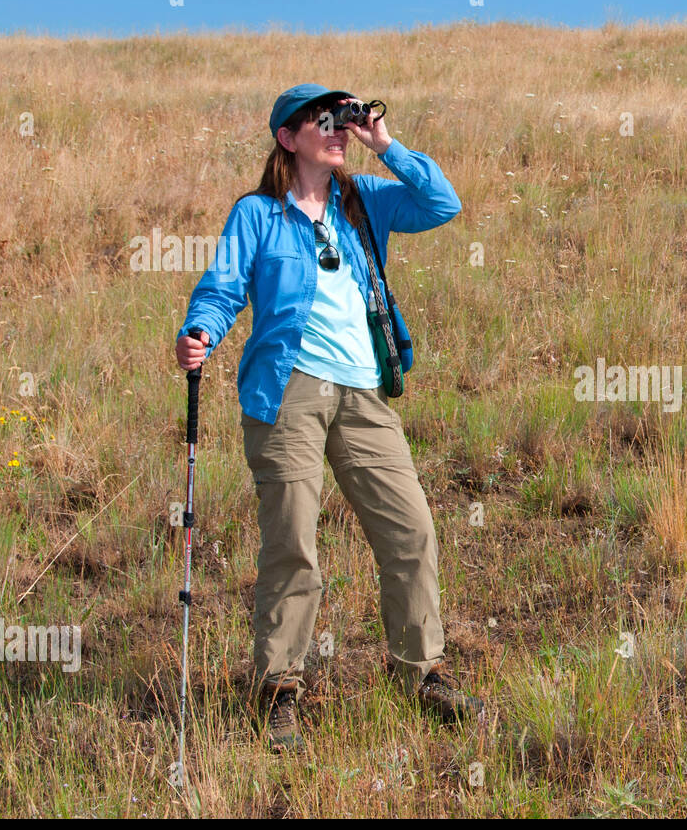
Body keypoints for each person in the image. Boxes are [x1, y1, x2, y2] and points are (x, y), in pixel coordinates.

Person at [175, 83, 481, 752]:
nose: (338, 130)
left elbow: (442, 202)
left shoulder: (364, 204)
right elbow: (224, 285)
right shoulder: (257, 214)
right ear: (288, 138)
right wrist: (200, 329)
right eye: (325, 121)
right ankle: (280, 688)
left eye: (343, 119)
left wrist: (384, 143)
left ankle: (422, 672)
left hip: (364, 394)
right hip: (288, 394)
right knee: (292, 541)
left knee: (411, 531)